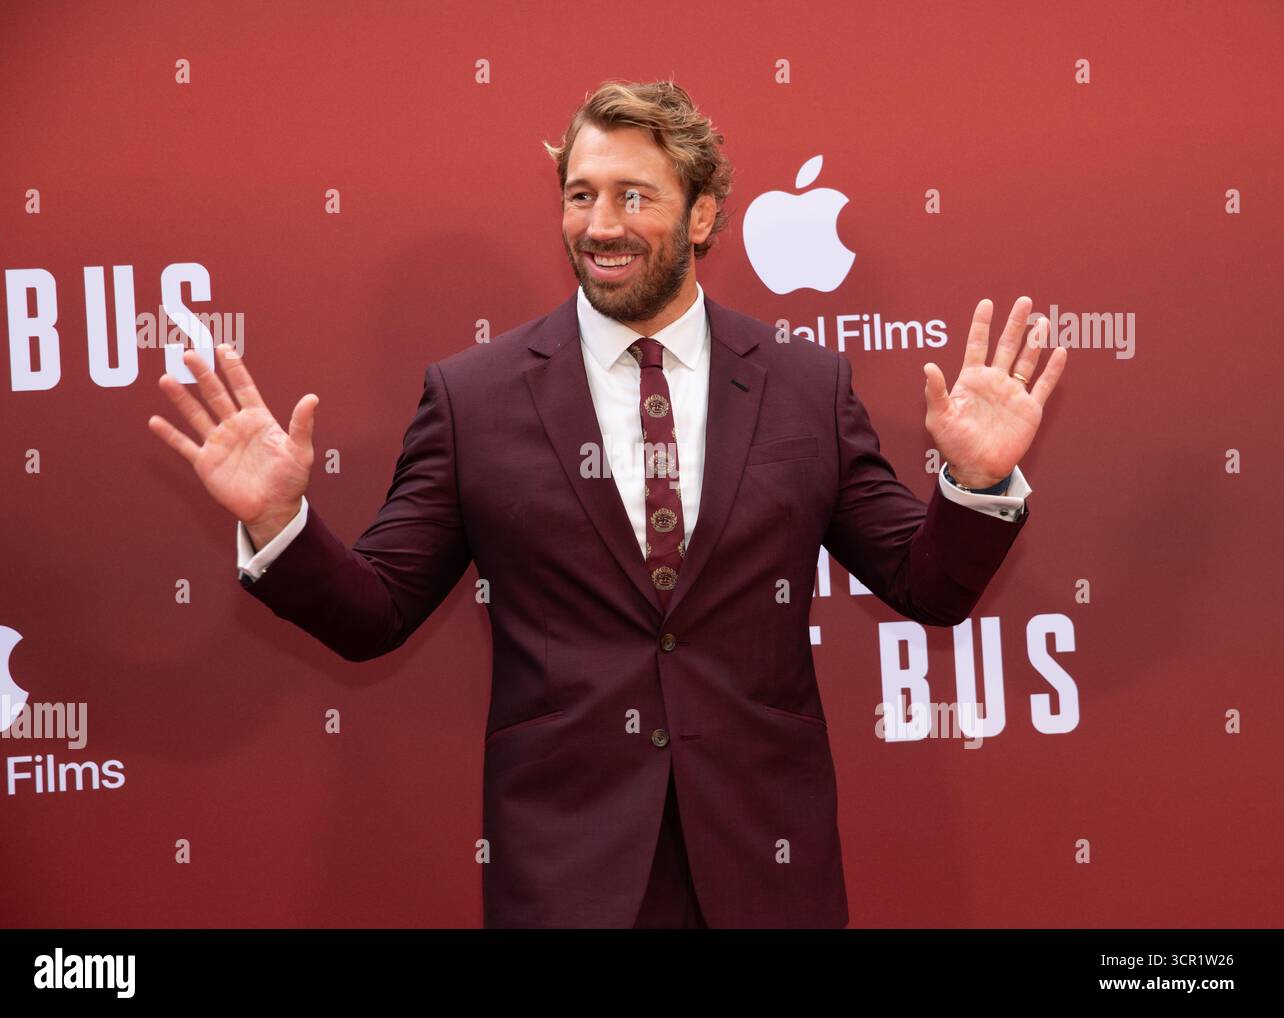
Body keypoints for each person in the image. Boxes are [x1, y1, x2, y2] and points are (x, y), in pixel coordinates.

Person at [147, 80, 1066, 928]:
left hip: (764, 867)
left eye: (634, 195)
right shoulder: (474, 396)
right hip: (565, 875)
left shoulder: (804, 384)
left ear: (703, 214)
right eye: (581, 194)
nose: (601, 224)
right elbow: (375, 611)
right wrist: (277, 521)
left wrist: (977, 484)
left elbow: (925, 585)